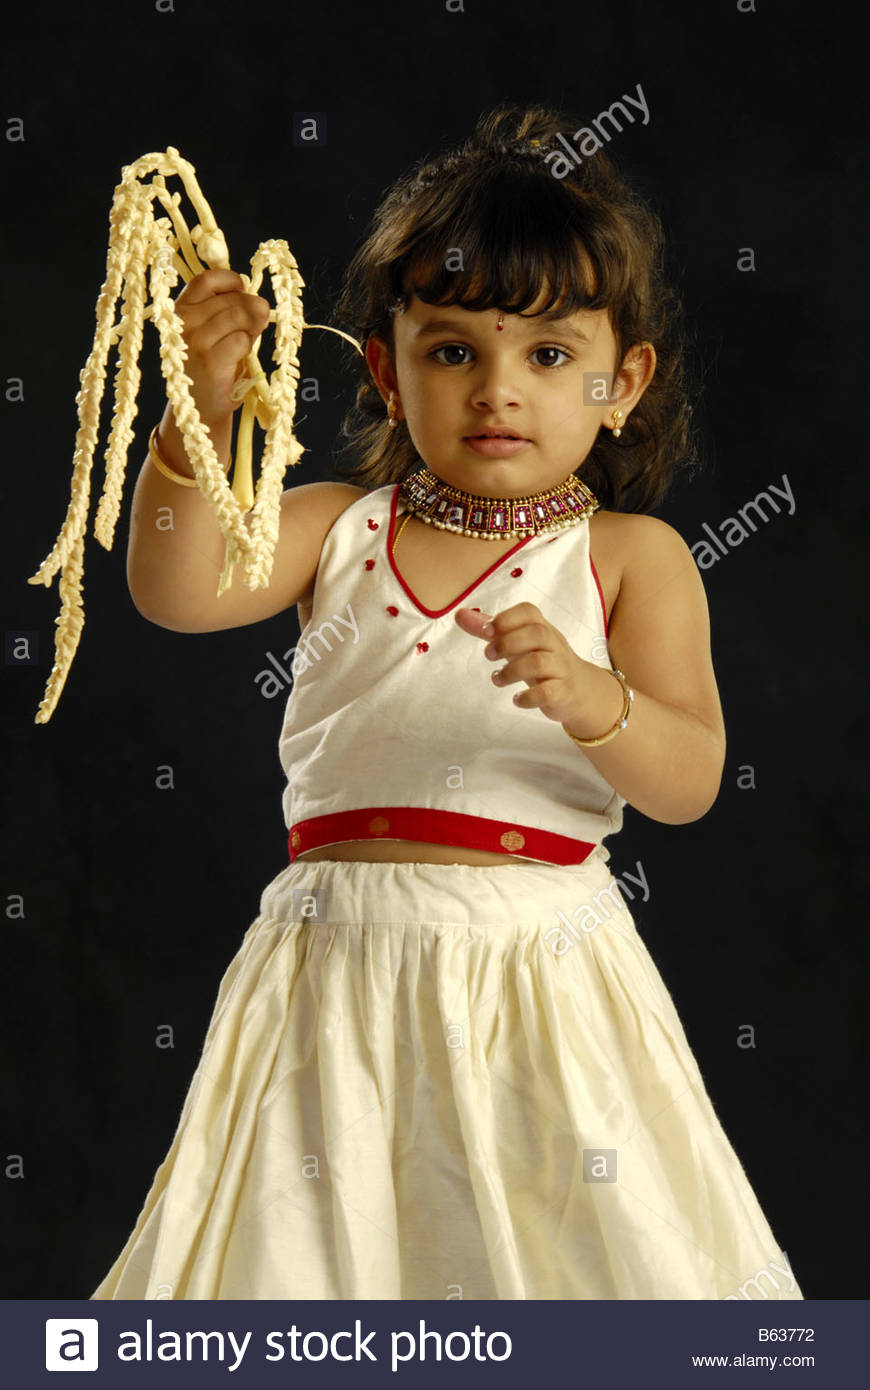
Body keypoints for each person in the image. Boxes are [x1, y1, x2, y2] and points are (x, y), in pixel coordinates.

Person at [89, 102, 803, 1301]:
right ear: (384, 366)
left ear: (623, 381)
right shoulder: (334, 528)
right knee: (316, 1267)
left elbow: (686, 781)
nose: (498, 392)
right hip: (331, 969)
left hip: (541, 971)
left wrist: (593, 700)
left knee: (567, 1261)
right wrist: (197, 415)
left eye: (550, 355)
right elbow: (176, 591)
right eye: (454, 349)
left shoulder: (629, 558)